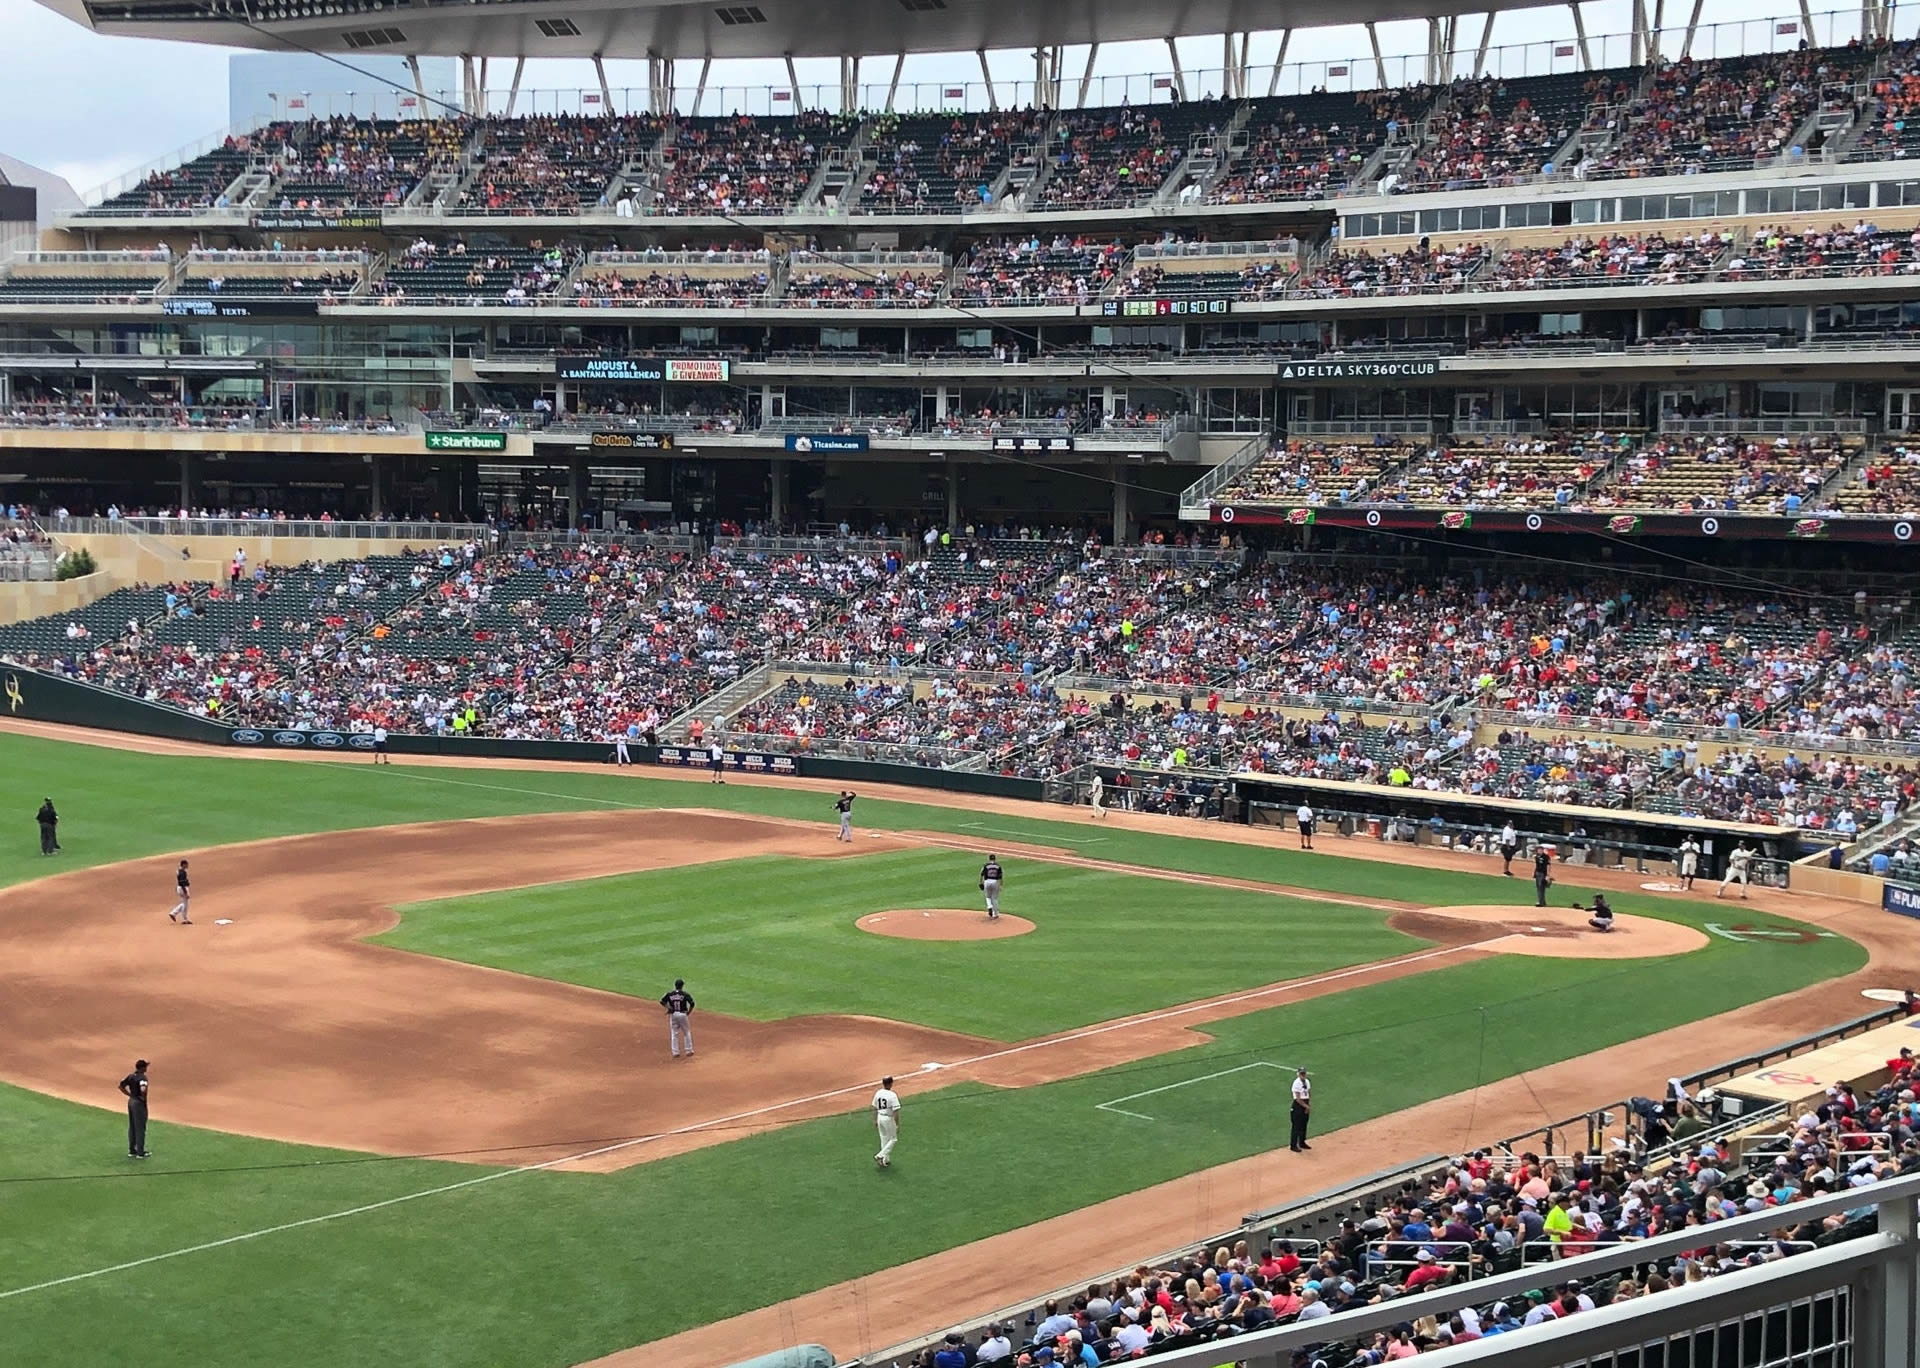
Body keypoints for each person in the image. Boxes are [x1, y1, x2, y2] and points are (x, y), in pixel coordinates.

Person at [119, 1058, 151, 1159]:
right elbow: (143, 1089)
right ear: (142, 1068)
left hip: (131, 1102)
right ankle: (140, 1153)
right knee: (140, 1127)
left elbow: (121, 1086)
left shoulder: (131, 1076)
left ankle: (132, 1150)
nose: (146, 1068)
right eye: (145, 1066)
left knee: (132, 1126)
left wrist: (130, 1095)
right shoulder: (143, 1078)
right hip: (138, 1104)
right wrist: (143, 1099)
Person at [660, 978, 694, 1058]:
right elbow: (692, 1003)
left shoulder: (670, 994)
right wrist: (689, 1012)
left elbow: (662, 1001)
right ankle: (688, 1050)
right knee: (686, 1032)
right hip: (682, 1014)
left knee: (674, 1033)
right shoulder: (685, 994)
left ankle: (675, 1052)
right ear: (682, 986)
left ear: (675, 986)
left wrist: (668, 1007)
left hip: (673, 1014)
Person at [872, 1074, 901, 1168]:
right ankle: (880, 1155)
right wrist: (897, 1124)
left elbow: (874, 1107)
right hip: (888, 1119)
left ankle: (885, 1160)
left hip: (880, 1117)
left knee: (884, 1139)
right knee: (893, 1139)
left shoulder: (878, 1093)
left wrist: (875, 1119)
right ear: (891, 1084)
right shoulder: (892, 1095)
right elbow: (895, 1111)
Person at [1289, 1067, 1312, 1151]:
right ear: (1298, 1074)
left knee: (1304, 1125)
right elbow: (1298, 1099)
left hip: (1305, 1103)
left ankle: (1302, 1142)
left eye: (1304, 1073)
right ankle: (1293, 1145)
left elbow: (1308, 1093)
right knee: (1296, 1126)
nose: (1303, 1075)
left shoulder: (1307, 1081)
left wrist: (1308, 1104)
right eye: (1301, 1074)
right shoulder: (1296, 1083)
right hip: (1298, 1106)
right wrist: (1306, 1106)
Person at [980, 853, 1004, 921]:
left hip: (987, 881)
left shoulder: (986, 865)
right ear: (995, 859)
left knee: (988, 897)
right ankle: (995, 914)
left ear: (989, 859)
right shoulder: (998, 866)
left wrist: (981, 882)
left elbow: (982, 874)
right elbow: (1001, 876)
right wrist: (1001, 885)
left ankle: (989, 906)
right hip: (995, 882)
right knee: (995, 898)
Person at [167, 859, 192, 924]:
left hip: (179, 888)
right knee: (185, 905)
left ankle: (173, 913)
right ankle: (184, 919)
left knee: (183, 903)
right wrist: (186, 892)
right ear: (183, 864)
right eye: (186, 864)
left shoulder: (179, 870)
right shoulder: (182, 872)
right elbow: (182, 883)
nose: (187, 866)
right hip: (182, 888)